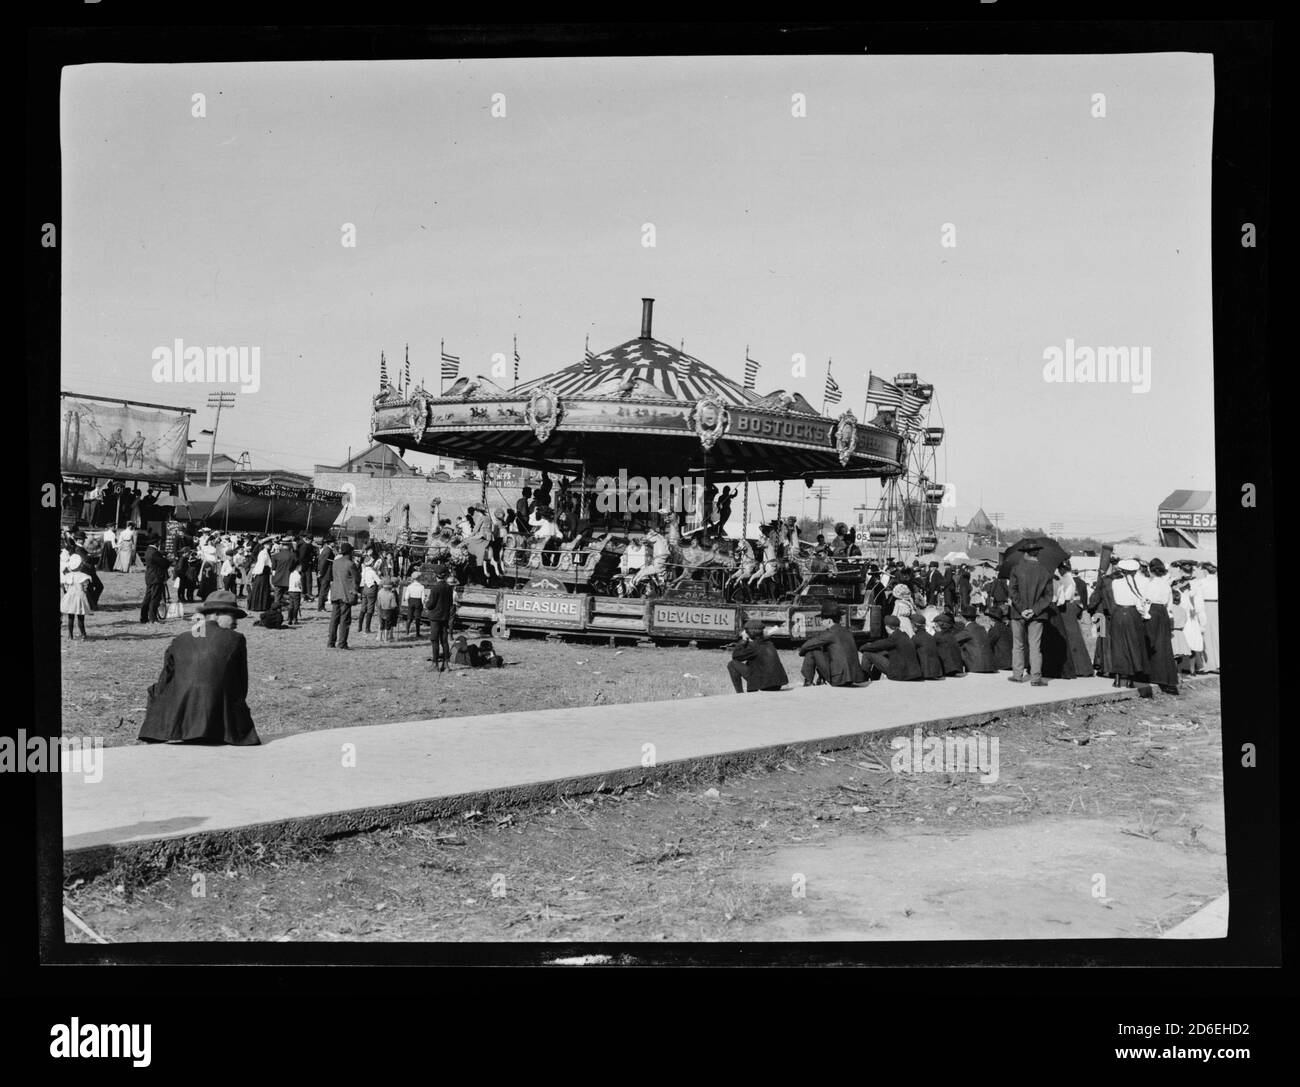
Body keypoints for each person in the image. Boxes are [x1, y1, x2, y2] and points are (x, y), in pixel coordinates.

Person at [138, 590, 260, 745]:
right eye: (232, 615)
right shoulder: (236, 639)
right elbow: (242, 687)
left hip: (178, 724)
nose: (236, 621)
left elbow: (164, 682)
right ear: (216, 614)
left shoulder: (181, 639)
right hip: (222, 725)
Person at [1007, 542, 1054, 686]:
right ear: (1037, 553)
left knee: (1018, 645)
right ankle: (1035, 678)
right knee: (1035, 646)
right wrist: (1033, 610)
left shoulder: (1016, 569)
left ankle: (1017, 675)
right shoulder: (1045, 571)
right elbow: (1048, 596)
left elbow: (1012, 592)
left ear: (1025, 553)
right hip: (1037, 614)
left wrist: (1022, 609)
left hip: (1017, 612)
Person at [797, 602, 866, 687]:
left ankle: (808, 681)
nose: (821, 621)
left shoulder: (830, 633)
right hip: (855, 677)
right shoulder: (848, 631)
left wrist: (801, 652)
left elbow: (806, 645)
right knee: (827, 649)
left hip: (839, 679)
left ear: (829, 620)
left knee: (812, 650)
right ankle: (820, 679)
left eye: (822, 619)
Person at [1107, 558, 1150, 688]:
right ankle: (1130, 679)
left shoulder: (1115, 582)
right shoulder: (1141, 583)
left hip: (1118, 613)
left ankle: (1118, 678)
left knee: (1117, 645)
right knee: (1132, 645)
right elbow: (1141, 603)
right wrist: (1144, 614)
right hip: (1132, 614)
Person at [1142, 558, 1179, 694]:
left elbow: (1146, 600)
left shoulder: (1150, 584)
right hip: (1163, 613)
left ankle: (1153, 675)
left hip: (1152, 612)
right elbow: (1169, 605)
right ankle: (1165, 677)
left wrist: (1144, 614)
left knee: (1151, 643)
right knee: (1163, 644)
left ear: (1150, 570)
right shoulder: (1166, 585)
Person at [727, 620, 789, 693]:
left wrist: (743, 640)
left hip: (765, 685)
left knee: (732, 664)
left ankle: (740, 693)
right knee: (752, 662)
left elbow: (735, 657)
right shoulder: (769, 643)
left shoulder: (752, 646)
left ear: (748, 633)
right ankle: (752, 690)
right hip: (777, 684)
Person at [859, 615, 923, 681]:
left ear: (887, 627)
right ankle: (874, 679)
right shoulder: (904, 635)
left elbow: (878, 645)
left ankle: (863, 679)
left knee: (867, 654)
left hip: (900, 674)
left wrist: (862, 647)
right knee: (881, 655)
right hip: (912, 673)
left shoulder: (894, 637)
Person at [327, 542, 359, 649]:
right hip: (346, 594)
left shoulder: (335, 562)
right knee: (344, 619)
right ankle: (342, 643)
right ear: (350, 552)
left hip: (336, 592)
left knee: (334, 619)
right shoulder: (350, 564)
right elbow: (357, 578)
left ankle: (331, 642)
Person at [425, 565, 455, 671]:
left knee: (435, 641)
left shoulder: (435, 588)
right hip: (445, 617)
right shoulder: (448, 587)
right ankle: (446, 664)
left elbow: (431, 604)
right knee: (444, 641)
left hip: (435, 617)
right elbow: (450, 603)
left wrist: (426, 603)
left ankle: (435, 664)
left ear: (435, 576)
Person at [1191, 564, 1219, 672]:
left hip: (1205, 606)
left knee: (1206, 635)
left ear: (1205, 571)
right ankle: (1217, 662)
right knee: (1216, 634)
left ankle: (1208, 664)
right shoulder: (1215, 581)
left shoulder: (1201, 582)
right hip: (1215, 605)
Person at [138, 535, 171, 624]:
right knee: (155, 597)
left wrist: (162, 554)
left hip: (150, 576)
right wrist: (169, 560)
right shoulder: (154, 552)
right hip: (156, 577)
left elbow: (156, 556)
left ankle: (143, 617)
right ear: (156, 542)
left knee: (147, 597)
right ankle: (153, 618)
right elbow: (164, 563)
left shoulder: (149, 550)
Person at [954, 606, 996, 673]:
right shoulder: (981, 628)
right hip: (989, 665)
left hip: (976, 666)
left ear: (962, 618)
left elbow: (953, 640)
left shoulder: (968, 630)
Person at [61, 554, 93, 640]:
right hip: (79, 597)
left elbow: (66, 588)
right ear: (80, 565)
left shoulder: (68, 576)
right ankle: (83, 634)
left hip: (70, 597)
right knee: (80, 617)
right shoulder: (83, 576)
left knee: (70, 617)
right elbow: (85, 588)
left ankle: (70, 635)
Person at [911, 611, 946, 680]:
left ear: (915, 625)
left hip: (926, 673)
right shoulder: (931, 637)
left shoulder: (916, 638)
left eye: (911, 624)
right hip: (937, 672)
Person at [247, 538, 273, 613]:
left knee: (262, 589)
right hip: (262, 573)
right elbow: (260, 564)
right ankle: (258, 606)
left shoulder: (266, 552)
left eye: (270, 544)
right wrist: (258, 572)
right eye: (268, 544)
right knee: (261, 589)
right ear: (264, 545)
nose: (270, 545)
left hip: (264, 573)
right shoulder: (263, 553)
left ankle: (262, 605)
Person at [984, 604, 1014, 670]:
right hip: (1011, 662)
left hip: (1002, 664)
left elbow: (987, 645)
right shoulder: (1005, 627)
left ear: (990, 618)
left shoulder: (995, 628)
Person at [357, 555, 381, 635]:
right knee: (370, 609)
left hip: (364, 589)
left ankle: (359, 627)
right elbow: (378, 582)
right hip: (371, 589)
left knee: (363, 608)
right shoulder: (372, 572)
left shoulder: (363, 571)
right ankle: (367, 628)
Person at [270, 538, 295, 606]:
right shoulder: (293, 555)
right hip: (289, 578)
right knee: (290, 595)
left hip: (278, 578)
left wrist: (273, 578)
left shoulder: (276, 555)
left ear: (281, 545)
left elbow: (273, 569)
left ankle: (276, 607)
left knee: (277, 595)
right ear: (290, 545)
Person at [377, 577, 400, 643]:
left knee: (381, 624)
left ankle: (379, 637)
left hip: (381, 610)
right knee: (388, 626)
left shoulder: (380, 592)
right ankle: (387, 638)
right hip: (389, 611)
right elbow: (394, 605)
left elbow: (378, 602)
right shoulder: (392, 594)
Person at [316, 536, 335, 611]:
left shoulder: (326, 549)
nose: (335, 543)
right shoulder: (328, 550)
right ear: (330, 543)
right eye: (334, 542)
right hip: (326, 573)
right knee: (324, 590)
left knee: (324, 590)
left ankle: (321, 606)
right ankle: (321, 606)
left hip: (325, 572)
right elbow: (323, 562)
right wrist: (321, 572)